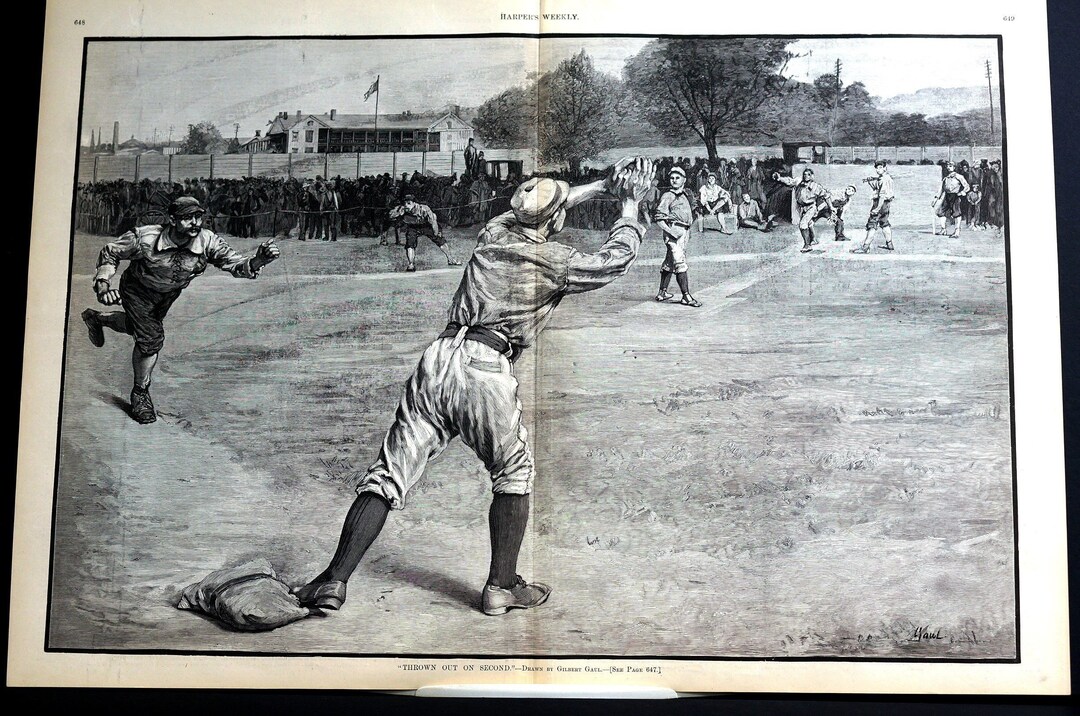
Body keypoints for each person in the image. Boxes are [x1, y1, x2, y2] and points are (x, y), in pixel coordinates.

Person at [293, 158, 656, 616]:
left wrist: (600, 183)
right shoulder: (556, 261)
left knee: (388, 474)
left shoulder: (494, 234)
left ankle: (333, 582)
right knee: (513, 472)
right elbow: (615, 260)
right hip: (486, 366)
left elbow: (530, 210)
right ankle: (501, 587)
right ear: (557, 219)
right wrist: (626, 201)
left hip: (438, 358)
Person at [80, 197, 280, 424]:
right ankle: (140, 394)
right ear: (172, 220)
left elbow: (234, 264)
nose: (195, 223)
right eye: (187, 218)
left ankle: (98, 318)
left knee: (136, 328)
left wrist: (258, 260)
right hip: (137, 289)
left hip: (168, 294)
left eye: (198, 217)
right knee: (151, 338)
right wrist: (104, 285)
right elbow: (110, 252)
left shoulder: (207, 240)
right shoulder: (145, 238)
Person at [654, 166, 702, 307]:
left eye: (677, 178)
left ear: (684, 180)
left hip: (684, 232)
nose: (674, 180)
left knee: (670, 262)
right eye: (672, 178)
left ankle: (662, 293)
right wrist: (670, 231)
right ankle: (686, 297)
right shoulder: (667, 196)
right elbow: (659, 218)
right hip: (673, 232)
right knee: (680, 262)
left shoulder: (685, 194)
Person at [386, 194, 462, 271]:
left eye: (409, 203)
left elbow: (433, 221)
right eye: (405, 203)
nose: (406, 205)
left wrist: (436, 232)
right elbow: (390, 216)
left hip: (426, 225)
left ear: (414, 203)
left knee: (440, 240)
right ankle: (411, 264)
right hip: (413, 227)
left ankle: (451, 259)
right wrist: (398, 213)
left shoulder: (424, 209)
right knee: (410, 244)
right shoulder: (401, 208)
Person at [773, 168, 829, 253]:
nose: (806, 176)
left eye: (808, 174)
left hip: (811, 207)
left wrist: (831, 207)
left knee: (803, 224)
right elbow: (789, 181)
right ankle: (813, 239)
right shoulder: (799, 182)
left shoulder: (816, 186)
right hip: (802, 207)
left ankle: (807, 245)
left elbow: (826, 195)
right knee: (809, 223)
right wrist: (779, 178)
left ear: (812, 176)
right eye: (805, 174)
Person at [852, 160, 896, 253]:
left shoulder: (884, 180)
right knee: (884, 224)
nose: (878, 170)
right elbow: (876, 189)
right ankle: (890, 244)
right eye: (876, 168)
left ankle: (865, 247)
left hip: (880, 203)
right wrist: (870, 181)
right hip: (886, 205)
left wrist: (877, 209)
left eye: (880, 167)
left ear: (885, 168)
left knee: (872, 225)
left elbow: (882, 196)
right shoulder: (885, 178)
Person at [932, 161, 970, 238]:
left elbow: (967, 187)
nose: (948, 167)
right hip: (947, 196)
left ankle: (957, 231)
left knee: (956, 213)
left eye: (950, 166)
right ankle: (943, 229)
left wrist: (961, 193)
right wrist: (935, 199)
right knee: (941, 212)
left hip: (955, 196)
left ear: (954, 167)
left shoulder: (959, 177)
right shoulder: (946, 178)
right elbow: (941, 190)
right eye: (947, 166)